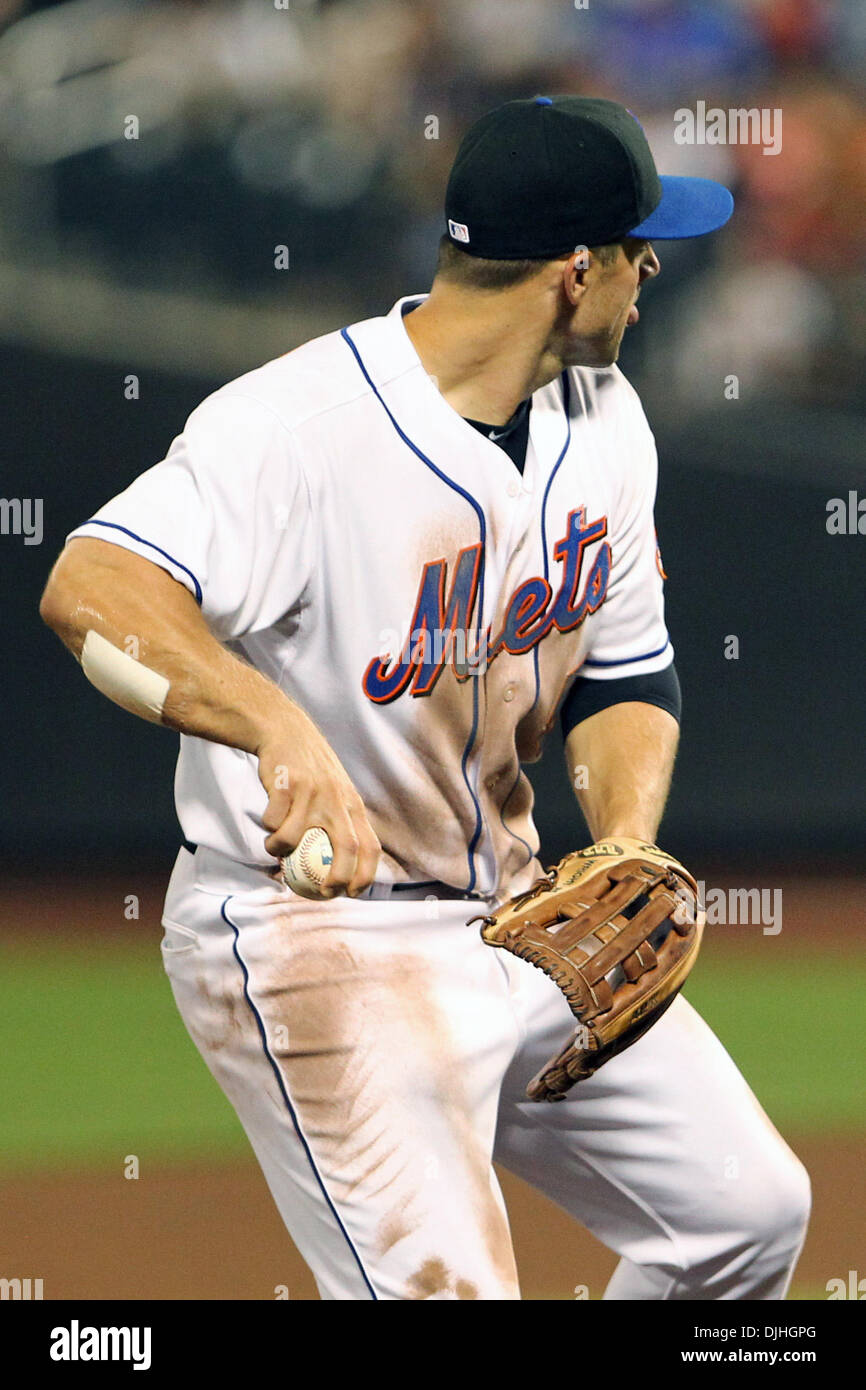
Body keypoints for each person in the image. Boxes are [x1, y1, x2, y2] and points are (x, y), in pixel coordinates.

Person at [40, 96, 810, 1300]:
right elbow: (90, 585)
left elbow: (623, 671)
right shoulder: (295, 427)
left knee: (747, 1215)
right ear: (573, 271)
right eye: (633, 248)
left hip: (518, 921)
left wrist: (618, 841)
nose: (649, 271)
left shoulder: (605, 421)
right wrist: (271, 722)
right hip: (316, 939)